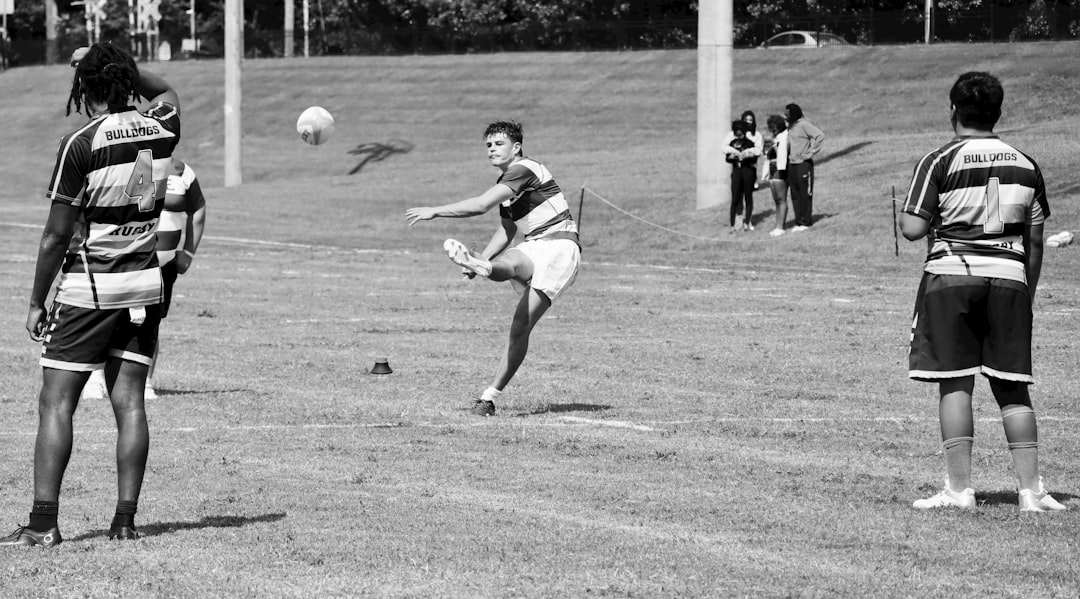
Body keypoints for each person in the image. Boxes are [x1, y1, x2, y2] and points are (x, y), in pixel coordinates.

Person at [0, 42, 181, 548]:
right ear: (125, 78)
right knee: (130, 402)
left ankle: (43, 524)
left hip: (89, 289)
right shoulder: (162, 127)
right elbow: (167, 91)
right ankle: (124, 522)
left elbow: (55, 236)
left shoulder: (81, 142)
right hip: (144, 285)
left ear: (85, 84)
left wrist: (36, 302)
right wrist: (118, 66)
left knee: (56, 402)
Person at [899, 71, 1065, 512]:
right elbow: (1034, 240)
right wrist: (1026, 290)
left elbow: (912, 228)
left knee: (955, 381)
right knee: (1012, 386)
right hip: (1009, 279)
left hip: (952, 276)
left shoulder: (938, 160)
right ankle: (1031, 491)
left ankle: (959, 489)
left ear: (953, 109)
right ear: (998, 112)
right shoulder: (1026, 164)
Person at [404, 121, 580, 417]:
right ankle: (483, 266)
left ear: (516, 147)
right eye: (488, 145)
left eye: (499, 144)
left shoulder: (524, 169)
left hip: (561, 247)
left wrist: (435, 211)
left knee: (520, 319)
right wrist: (483, 257)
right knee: (512, 270)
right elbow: (507, 229)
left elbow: (481, 205)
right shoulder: (507, 185)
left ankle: (489, 396)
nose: (491, 150)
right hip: (535, 244)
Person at [784, 103, 824, 232]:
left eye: (787, 114)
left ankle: (806, 222)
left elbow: (820, 136)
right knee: (795, 194)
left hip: (803, 164)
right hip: (792, 164)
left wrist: (811, 152)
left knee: (804, 193)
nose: (785, 116)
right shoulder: (790, 127)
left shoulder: (804, 124)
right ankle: (799, 221)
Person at [723, 120, 758, 233]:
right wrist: (732, 157)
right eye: (736, 131)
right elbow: (727, 158)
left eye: (740, 131)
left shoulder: (749, 143)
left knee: (748, 197)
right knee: (735, 198)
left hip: (747, 171)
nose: (738, 134)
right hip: (737, 171)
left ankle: (747, 222)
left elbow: (755, 158)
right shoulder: (732, 143)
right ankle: (733, 224)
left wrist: (747, 155)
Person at [761, 114, 790, 237]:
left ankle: (781, 226)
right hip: (771, 168)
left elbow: (783, 154)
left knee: (781, 199)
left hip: (780, 168)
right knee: (776, 200)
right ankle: (778, 225)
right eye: (771, 127)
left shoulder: (785, 136)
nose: (773, 130)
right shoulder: (775, 137)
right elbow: (765, 154)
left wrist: (774, 144)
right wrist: (766, 145)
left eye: (774, 127)